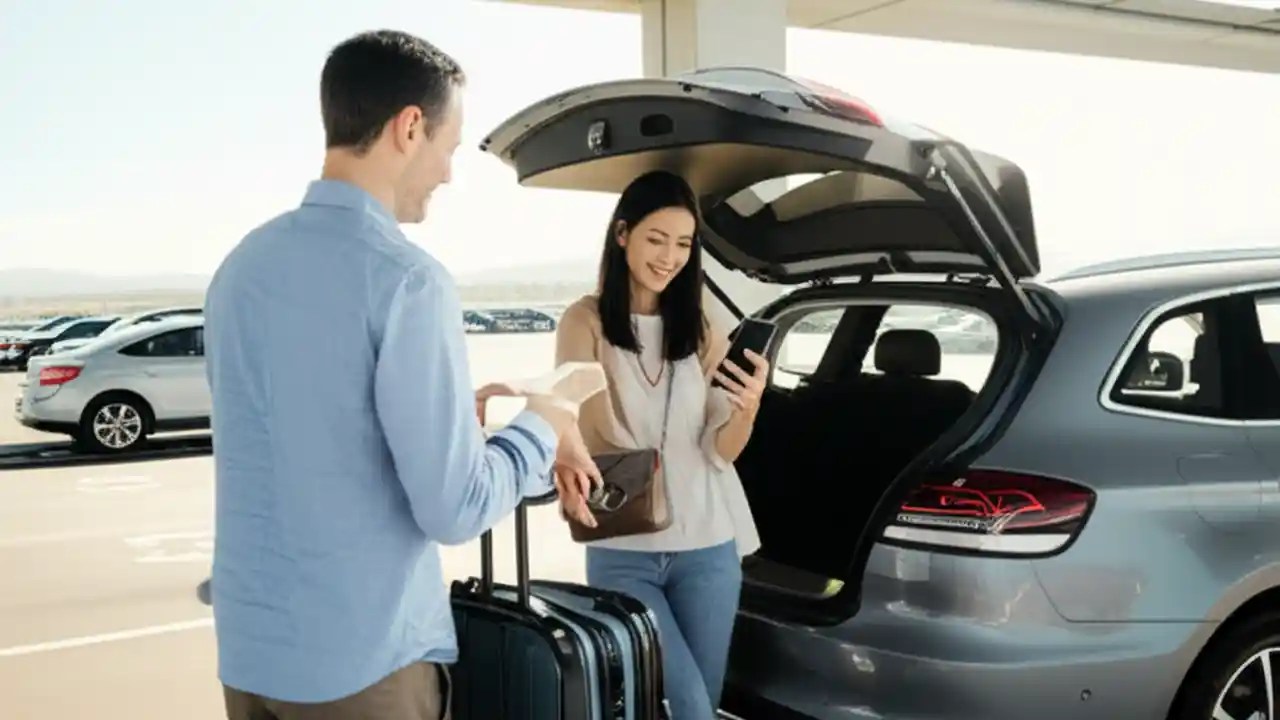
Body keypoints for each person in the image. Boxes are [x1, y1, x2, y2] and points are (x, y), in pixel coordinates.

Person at [204, 30, 597, 720]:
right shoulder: (406, 279)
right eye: (449, 148)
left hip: (251, 653)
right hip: (363, 663)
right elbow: (455, 507)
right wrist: (548, 416)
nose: (447, 172)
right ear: (409, 127)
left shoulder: (241, 268)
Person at [552, 170, 769, 720]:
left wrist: (749, 407)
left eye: (682, 243)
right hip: (625, 550)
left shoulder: (698, 327)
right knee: (686, 707)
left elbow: (722, 450)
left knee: (704, 702)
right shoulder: (586, 321)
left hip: (709, 548)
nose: (669, 257)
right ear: (622, 233)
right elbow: (569, 413)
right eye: (656, 239)